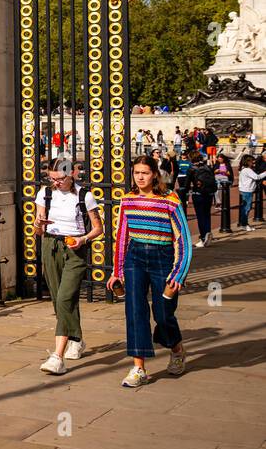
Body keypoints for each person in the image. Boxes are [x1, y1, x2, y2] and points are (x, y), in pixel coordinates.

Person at [107, 155, 191, 388]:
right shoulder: (128, 200)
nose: (140, 177)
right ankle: (138, 367)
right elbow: (122, 237)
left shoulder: (170, 200)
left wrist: (178, 273)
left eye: (145, 172)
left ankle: (176, 348)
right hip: (135, 257)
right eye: (136, 173)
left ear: (154, 174)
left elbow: (183, 238)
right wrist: (117, 271)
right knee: (135, 310)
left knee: (164, 312)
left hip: (162, 258)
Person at [34, 160, 103, 375]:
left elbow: (98, 228)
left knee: (65, 297)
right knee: (59, 299)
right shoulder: (45, 194)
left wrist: (82, 239)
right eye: (52, 179)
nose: (56, 183)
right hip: (50, 245)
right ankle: (77, 339)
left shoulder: (85, 196)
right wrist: (38, 224)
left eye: (60, 179)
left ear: (72, 173)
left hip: (75, 248)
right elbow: (36, 230)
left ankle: (57, 357)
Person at [189, 153, 216, 247]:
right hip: (209, 194)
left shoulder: (192, 169)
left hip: (198, 194)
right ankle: (208, 233)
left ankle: (203, 237)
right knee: (207, 215)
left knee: (200, 217)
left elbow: (186, 184)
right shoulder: (207, 167)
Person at [236, 154, 266, 230]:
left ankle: (244, 223)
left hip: (246, 190)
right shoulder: (247, 170)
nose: (253, 163)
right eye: (252, 161)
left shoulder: (245, 169)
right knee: (246, 208)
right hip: (247, 190)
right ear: (248, 162)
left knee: (245, 208)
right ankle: (244, 224)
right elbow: (257, 177)